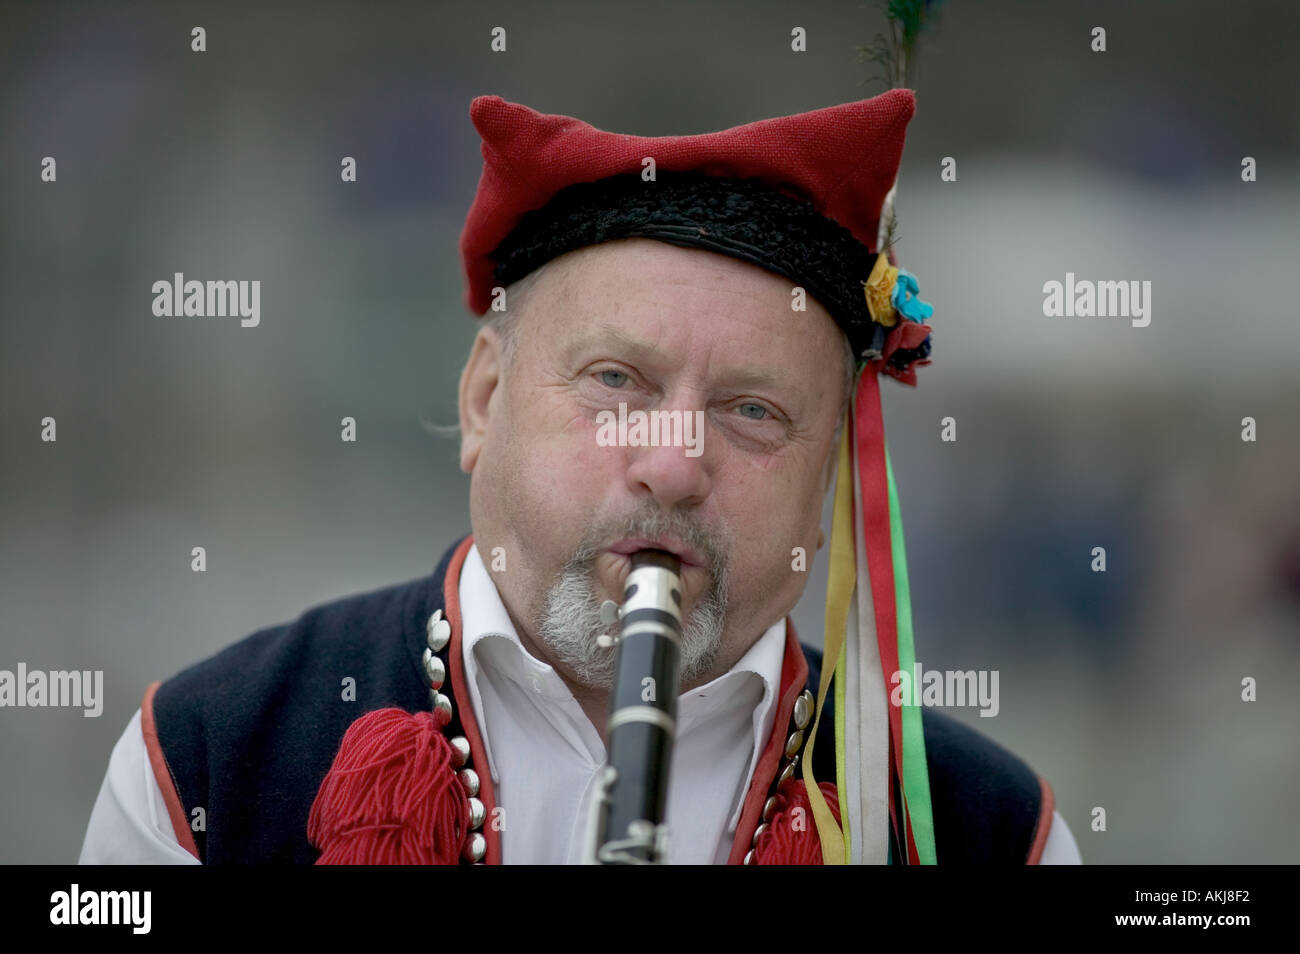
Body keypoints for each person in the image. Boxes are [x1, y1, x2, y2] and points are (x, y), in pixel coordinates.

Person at [79, 90, 1081, 865]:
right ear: (483, 400)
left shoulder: (994, 833)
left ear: (826, 488)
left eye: (753, 411)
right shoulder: (208, 754)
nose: (674, 465)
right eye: (615, 381)